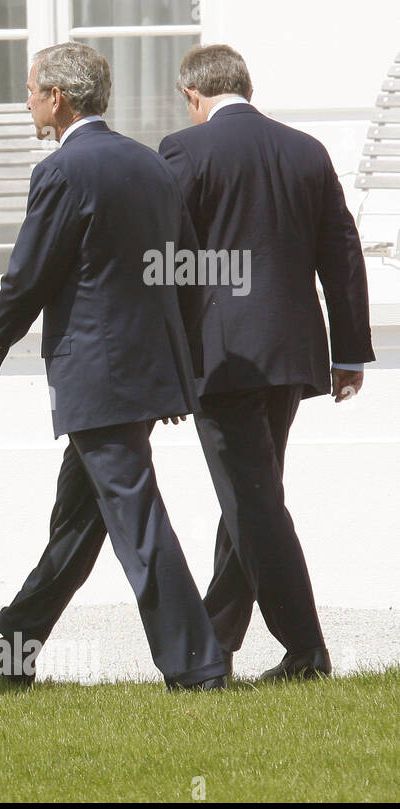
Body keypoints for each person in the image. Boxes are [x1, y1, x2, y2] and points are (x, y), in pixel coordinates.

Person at [0, 43, 229, 690]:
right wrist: (175, 360)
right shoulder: (150, 163)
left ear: (58, 98)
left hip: (97, 374)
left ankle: (198, 664)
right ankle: (14, 649)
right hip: (141, 369)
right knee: (79, 520)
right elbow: (187, 272)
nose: (25, 101)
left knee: (136, 519)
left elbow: (31, 273)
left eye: (30, 90)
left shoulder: (64, 170)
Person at [159, 44, 375, 681]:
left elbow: (166, 257)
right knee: (250, 496)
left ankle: (306, 650)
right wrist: (350, 350)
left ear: (193, 95)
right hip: (294, 353)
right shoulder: (306, 149)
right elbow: (342, 251)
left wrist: (163, 356)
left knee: (252, 503)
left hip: (221, 357)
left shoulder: (185, 149)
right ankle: (214, 644)